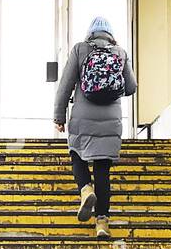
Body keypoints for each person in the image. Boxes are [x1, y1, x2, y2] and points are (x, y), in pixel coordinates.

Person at [53, 16, 137, 237]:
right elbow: (131, 87)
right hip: (111, 122)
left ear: (90, 33)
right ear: (110, 35)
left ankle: (85, 189)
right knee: (102, 169)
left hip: (82, 117)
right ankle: (102, 222)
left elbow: (65, 85)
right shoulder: (120, 52)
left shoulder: (80, 49)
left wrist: (59, 116)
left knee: (76, 154)